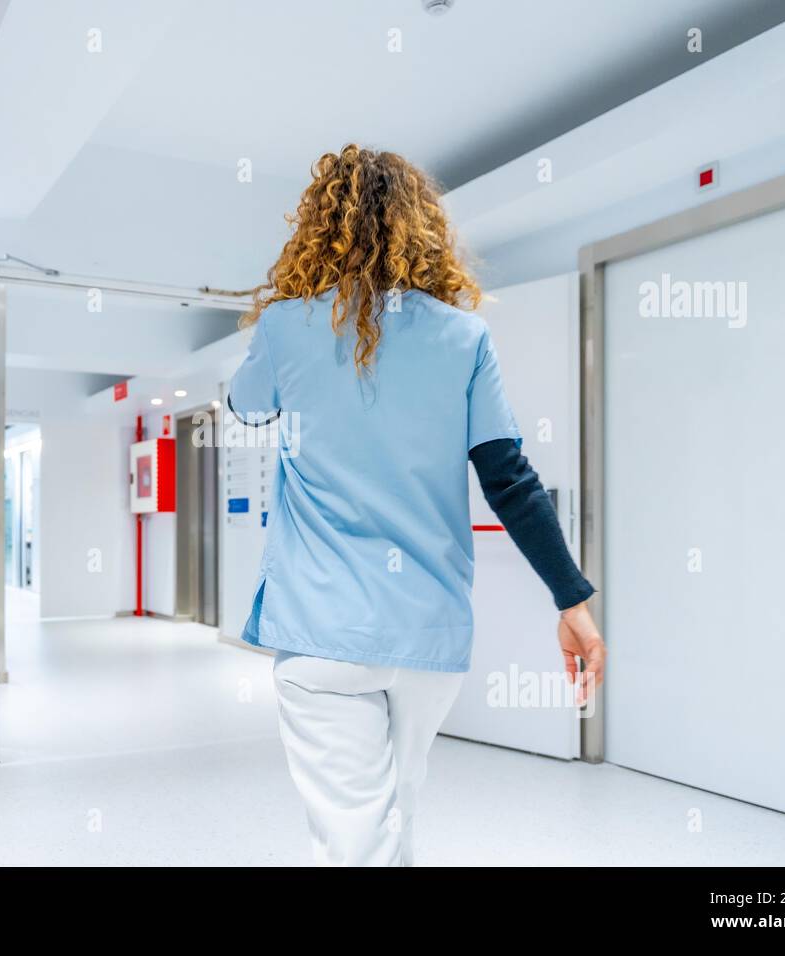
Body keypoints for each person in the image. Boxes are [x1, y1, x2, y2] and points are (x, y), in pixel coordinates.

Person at [227, 144, 606, 867]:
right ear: (421, 226)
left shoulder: (287, 327)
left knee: (354, 840)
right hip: (428, 637)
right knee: (394, 821)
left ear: (318, 226)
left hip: (322, 630)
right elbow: (509, 477)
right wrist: (572, 599)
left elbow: (244, 409)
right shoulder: (463, 337)